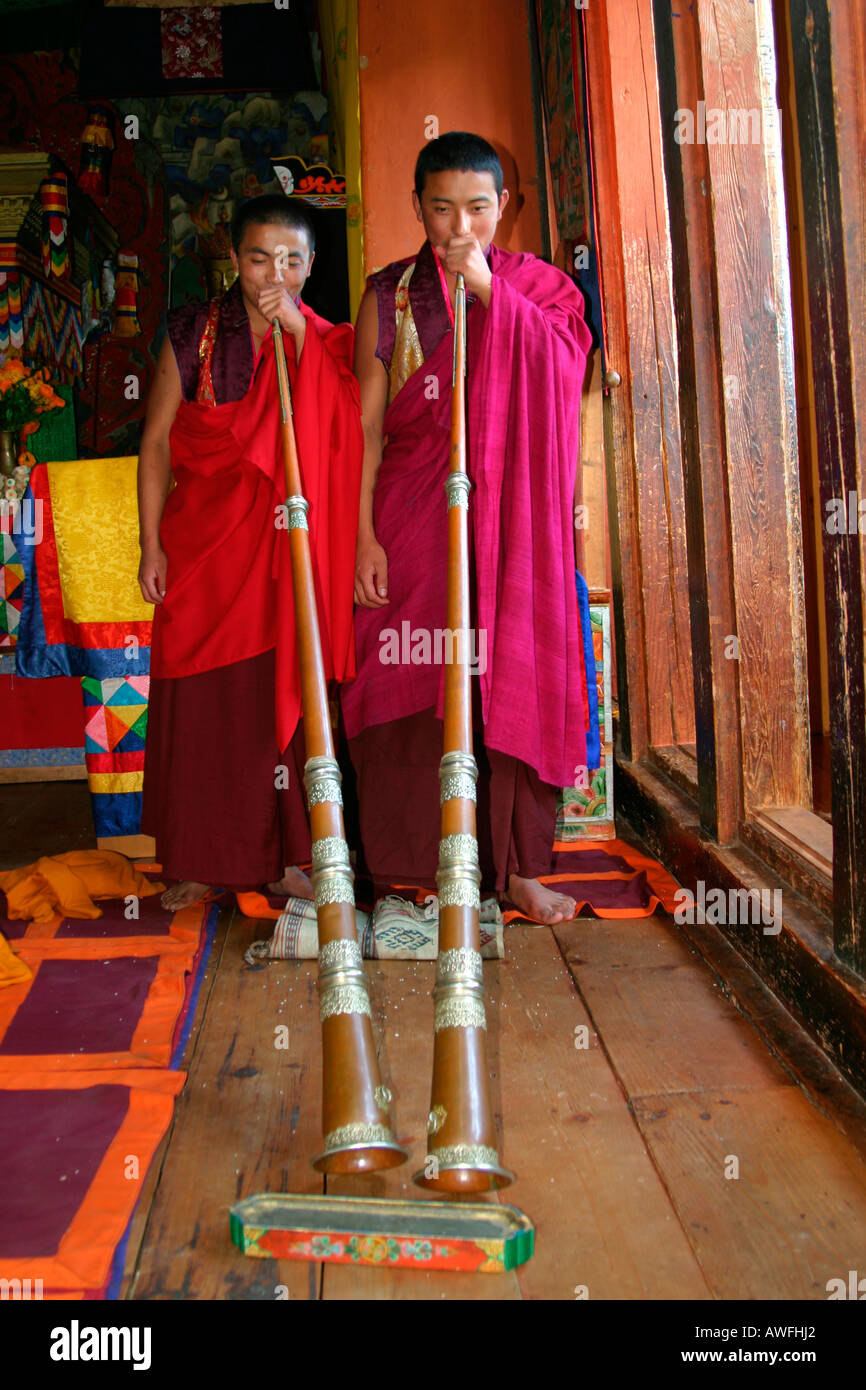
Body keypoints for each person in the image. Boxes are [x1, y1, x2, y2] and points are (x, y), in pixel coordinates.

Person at [341, 132, 593, 925]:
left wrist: (490, 294)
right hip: (412, 515)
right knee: (402, 679)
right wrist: (361, 538)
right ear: (416, 207)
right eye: (442, 208)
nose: (459, 227)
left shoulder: (541, 290)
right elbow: (368, 426)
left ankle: (515, 870)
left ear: (503, 206)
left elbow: (566, 373)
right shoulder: (386, 294)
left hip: (512, 523)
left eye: (478, 209)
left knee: (506, 677)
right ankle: (410, 870)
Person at [138, 195, 362, 911]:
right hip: (204, 547)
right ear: (233, 259)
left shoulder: (326, 341)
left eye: (292, 259)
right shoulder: (194, 331)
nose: (275, 273)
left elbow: (347, 441)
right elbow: (156, 445)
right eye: (260, 257)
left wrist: (296, 333)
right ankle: (199, 859)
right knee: (203, 707)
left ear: (311, 264)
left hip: (283, 554)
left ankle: (284, 856)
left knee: (280, 698)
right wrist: (150, 545)